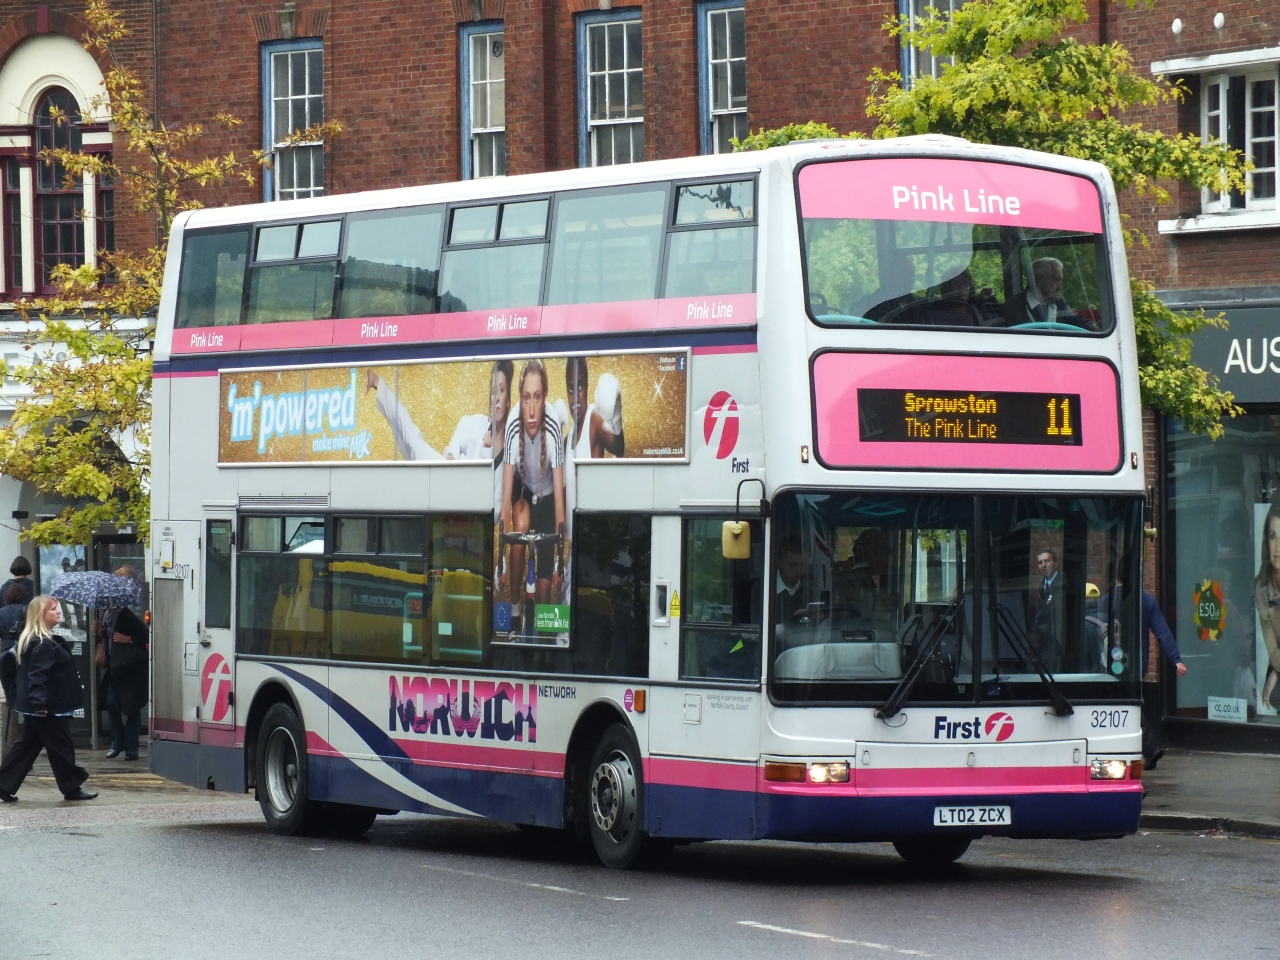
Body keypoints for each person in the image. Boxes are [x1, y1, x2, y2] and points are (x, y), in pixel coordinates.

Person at [0, 595, 97, 802]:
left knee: (28, 745)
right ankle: (71, 787)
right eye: (53, 609)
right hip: (48, 707)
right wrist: (39, 703)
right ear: (41, 615)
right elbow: (37, 675)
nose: (58, 612)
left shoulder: (37, 639)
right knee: (61, 746)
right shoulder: (43, 643)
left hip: (43, 705)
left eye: (58, 608)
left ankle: (3, 784)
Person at [500, 359, 567, 612]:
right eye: (526, 398)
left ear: (545, 398)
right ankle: (515, 610)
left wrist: (560, 558)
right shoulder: (512, 427)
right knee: (519, 529)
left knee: (543, 599)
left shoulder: (552, 428)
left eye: (537, 398)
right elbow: (506, 499)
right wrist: (501, 559)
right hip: (525, 495)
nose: (531, 409)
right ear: (520, 398)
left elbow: (560, 501)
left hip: (549, 501)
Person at [1139, 590, 1186, 770]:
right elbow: (1162, 632)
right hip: (1138, 664)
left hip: (1111, 663)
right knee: (1131, 705)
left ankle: (1150, 748)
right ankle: (1149, 749)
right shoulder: (1147, 601)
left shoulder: (1107, 600)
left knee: (1129, 706)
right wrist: (1176, 659)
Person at [103, 605, 149, 761]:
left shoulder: (125, 615)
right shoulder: (106, 618)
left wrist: (128, 639)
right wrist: (99, 631)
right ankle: (118, 743)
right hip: (116, 668)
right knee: (112, 705)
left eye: (109, 602)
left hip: (131, 669)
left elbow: (145, 634)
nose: (107, 605)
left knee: (132, 708)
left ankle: (130, 749)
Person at [564, 356, 625, 460]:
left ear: (587, 386)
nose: (575, 398)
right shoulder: (567, 440)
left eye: (579, 387)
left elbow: (618, 448)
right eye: (571, 389)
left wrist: (616, 417)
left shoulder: (594, 419)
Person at [1003, 257, 1089, 329]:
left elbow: (1075, 321)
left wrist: (1092, 326)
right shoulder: (1013, 306)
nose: (1060, 287)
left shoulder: (1059, 303)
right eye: (1056, 280)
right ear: (1040, 279)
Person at [1253, 502, 1280, 713]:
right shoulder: (1262, 589)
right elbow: (1273, 650)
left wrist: (1275, 673)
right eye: (1273, 536)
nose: (1278, 547)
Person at [0, 583, 29, 759]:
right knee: (24, 689)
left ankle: (9, 740)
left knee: (10, 694)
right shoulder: (26, 611)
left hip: (6, 656)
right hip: (24, 652)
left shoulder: (1, 613)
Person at [1033, 549, 1065, 670]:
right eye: (1040, 563)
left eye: (1047, 561)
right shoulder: (1043, 585)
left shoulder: (1061, 585)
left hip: (1055, 645)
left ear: (1056, 564)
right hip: (1043, 644)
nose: (1044, 565)